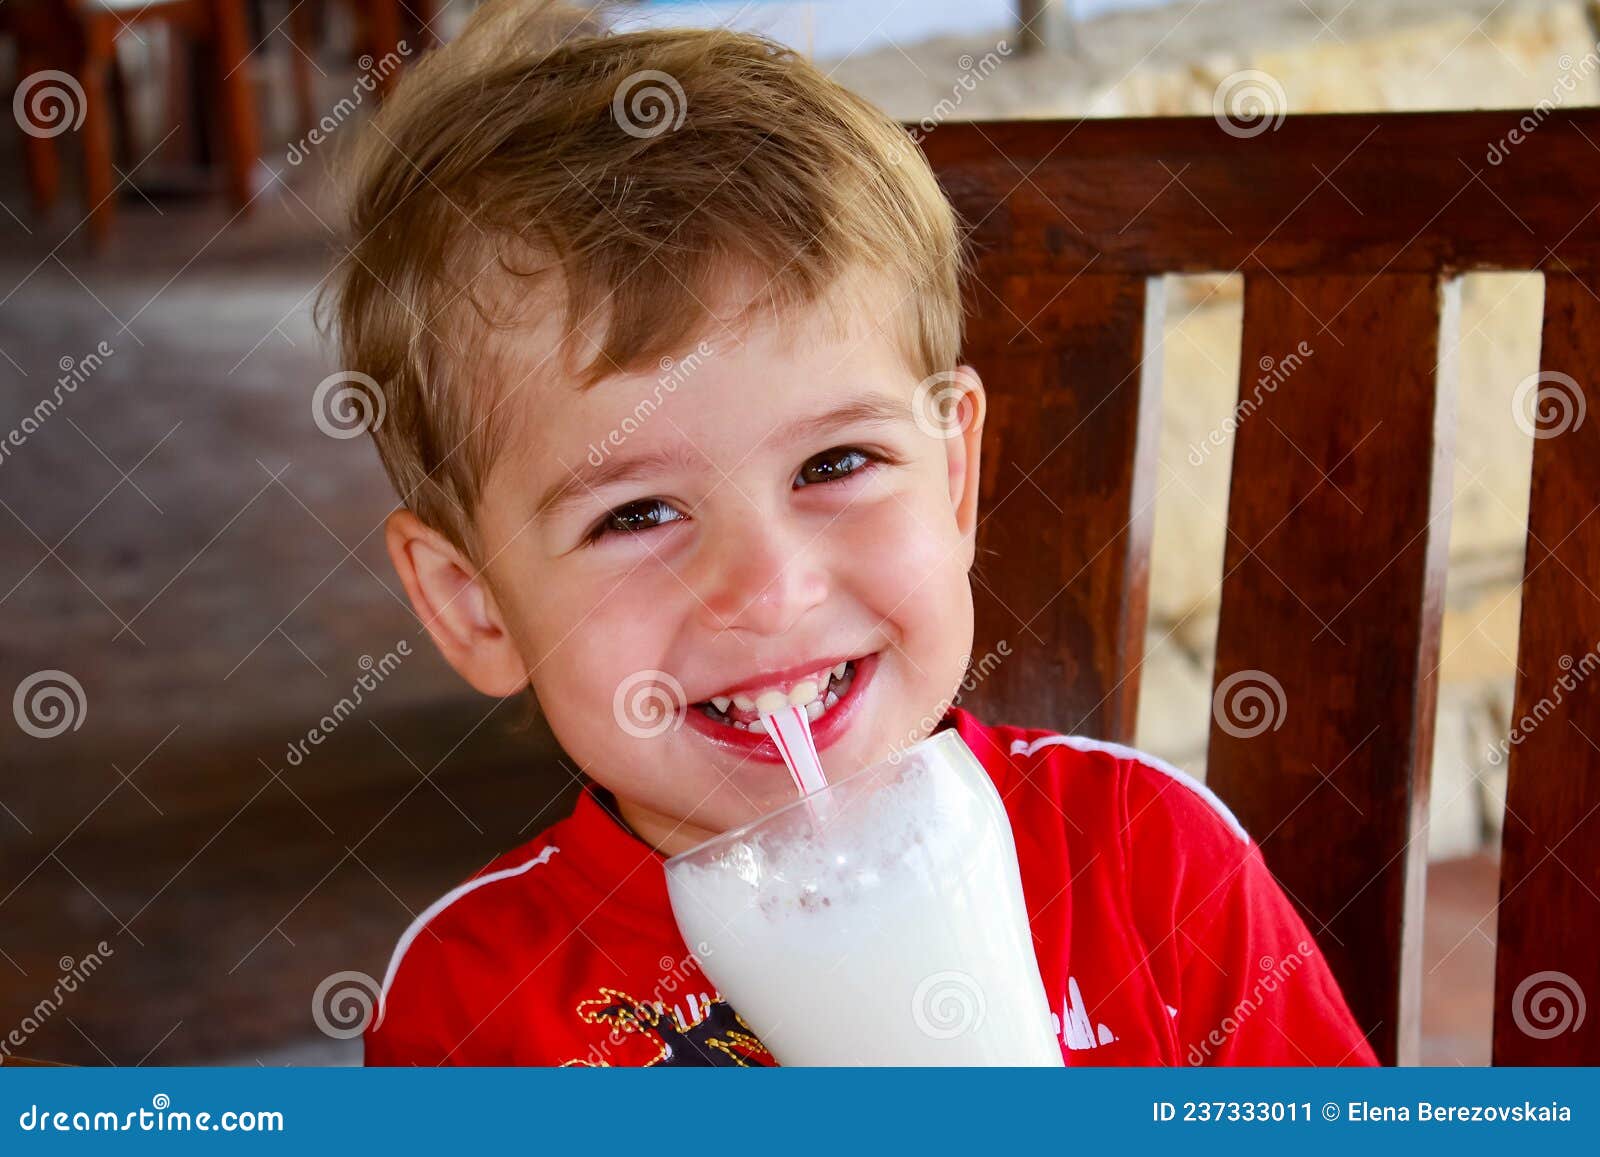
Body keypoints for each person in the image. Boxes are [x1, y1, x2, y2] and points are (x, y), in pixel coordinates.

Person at [327, 0, 1377, 1067]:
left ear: (954, 475)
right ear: (473, 603)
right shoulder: (464, 1006)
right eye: (634, 513)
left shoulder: (1151, 863)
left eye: (833, 465)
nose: (768, 587)